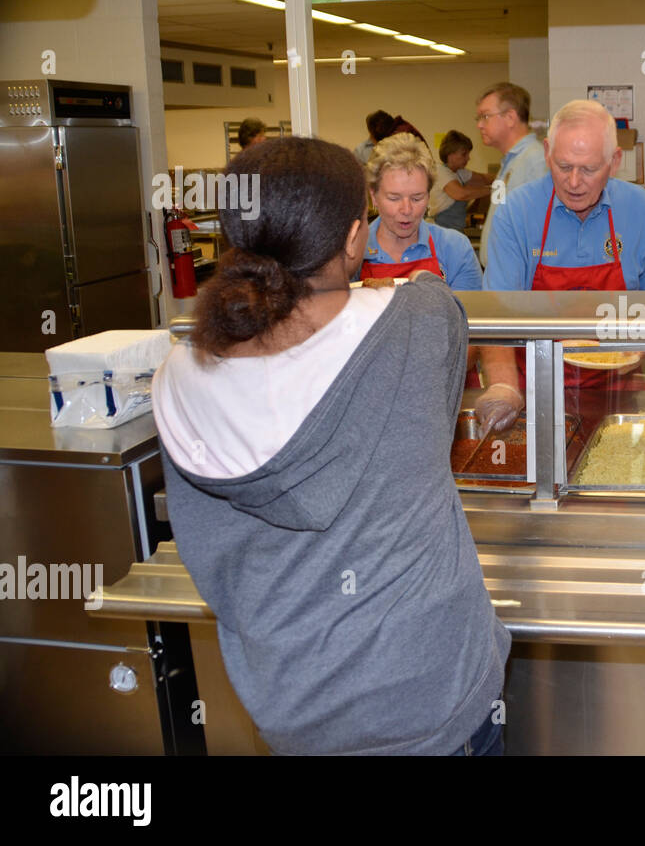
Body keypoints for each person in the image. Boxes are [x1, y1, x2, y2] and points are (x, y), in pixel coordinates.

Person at [151, 136, 510, 755]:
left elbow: (210, 555)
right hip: (434, 695)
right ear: (353, 239)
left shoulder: (178, 377)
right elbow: (434, 333)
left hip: (293, 705)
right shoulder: (420, 320)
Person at [481, 98, 645, 407]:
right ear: (546, 153)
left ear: (615, 160)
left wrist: (644, 351)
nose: (573, 182)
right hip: (534, 392)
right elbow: (496, 317)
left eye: (589, 169)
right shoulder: (516, 212)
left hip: (617, 393)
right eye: (564, 166)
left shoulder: (641, 210)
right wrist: (504, 388)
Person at [359, 132, 482, 290]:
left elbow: (466, 312)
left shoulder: (455, 249)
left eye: (417, 198)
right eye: (394, 198)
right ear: (373, 196)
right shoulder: (353, 251)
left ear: (429, 195)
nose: (407, 210)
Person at [475, 81, 547, 266]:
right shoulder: (510, 162)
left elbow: (541, 231)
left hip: (520, 281)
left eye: (485, 116)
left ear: (510, 117)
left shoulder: (535, 160)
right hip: (501, 277)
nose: (479, 125)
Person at [432, 129, 492, 231]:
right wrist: (494, 190)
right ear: (450, 155)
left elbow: (484, 179)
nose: (468, 158)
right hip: (441, 230)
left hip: (457, 230)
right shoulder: (440, 171)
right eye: (464, 154)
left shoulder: (459, 172)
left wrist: (505, 175)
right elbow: (461, 194)